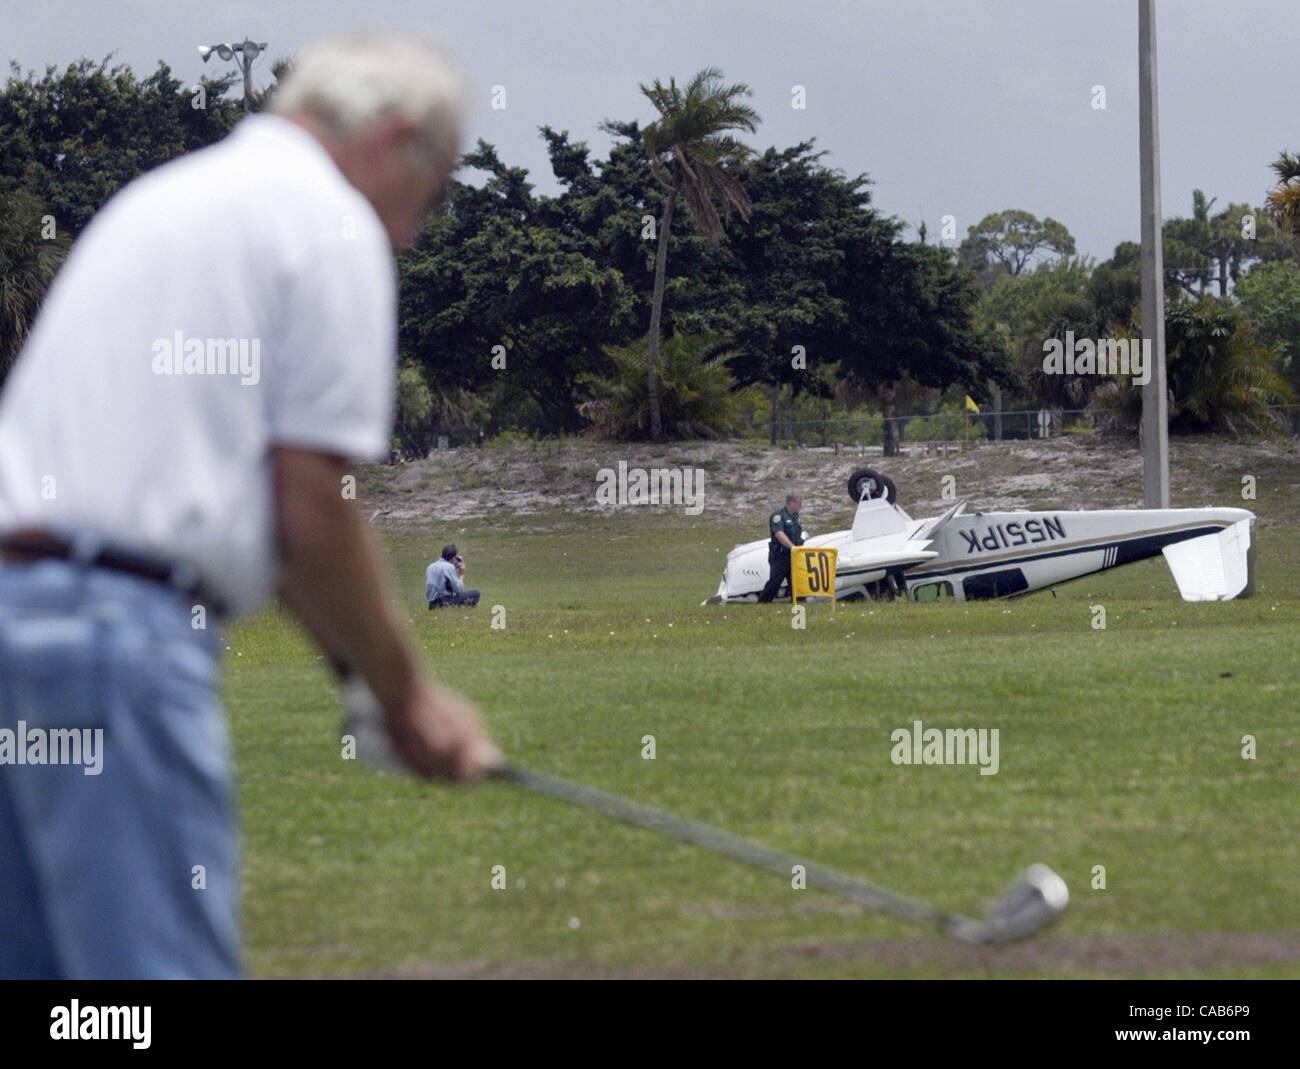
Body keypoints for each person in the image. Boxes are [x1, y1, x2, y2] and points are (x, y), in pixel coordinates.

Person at [0, 30, 500, 980]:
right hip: (114, 644)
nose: (409, 231)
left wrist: (369, 687)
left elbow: (270, 524)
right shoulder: (327, 224)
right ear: (395, 138)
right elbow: (313, 505)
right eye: (427, 196)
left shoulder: (158, 201)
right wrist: (409, 697)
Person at [756, 493, 805, 602]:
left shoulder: (795, 516)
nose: (801, 506)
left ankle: (799, 602)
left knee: (796, 580)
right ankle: (763, 602)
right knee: (775, 581)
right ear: (791, 503)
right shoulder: (778, 516)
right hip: (780, 555)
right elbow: (779, 534)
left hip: (793, 554)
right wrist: (792, 547)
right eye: (799, 503)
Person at [426, 544, 480, 608]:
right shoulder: (449, 567)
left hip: (431, 603)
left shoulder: (430, 566)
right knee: (475, 593)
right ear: (453, 557)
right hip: (443, 602)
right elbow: (458, 589)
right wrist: (461, 574)